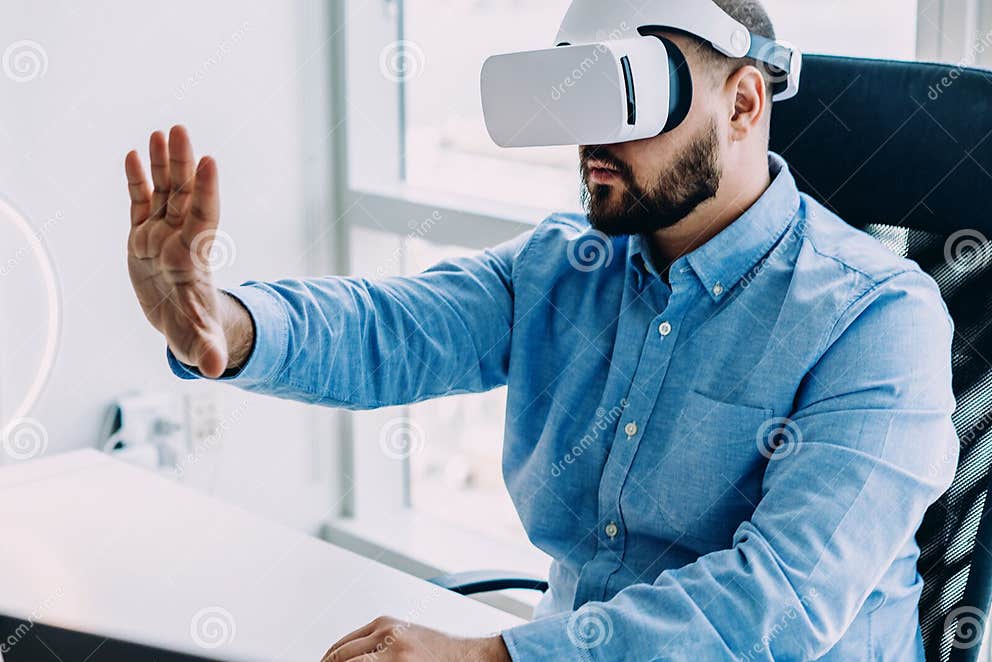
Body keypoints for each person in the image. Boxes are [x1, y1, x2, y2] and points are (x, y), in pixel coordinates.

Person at [123, 2, 956, 660]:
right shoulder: (567, 265)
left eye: (629, 94)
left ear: (742, 103)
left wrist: (494, 657)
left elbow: (781, 602)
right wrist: (225, 325)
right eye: (577, 95)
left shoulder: (877, 319)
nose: (593, 140)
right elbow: (393, 329)